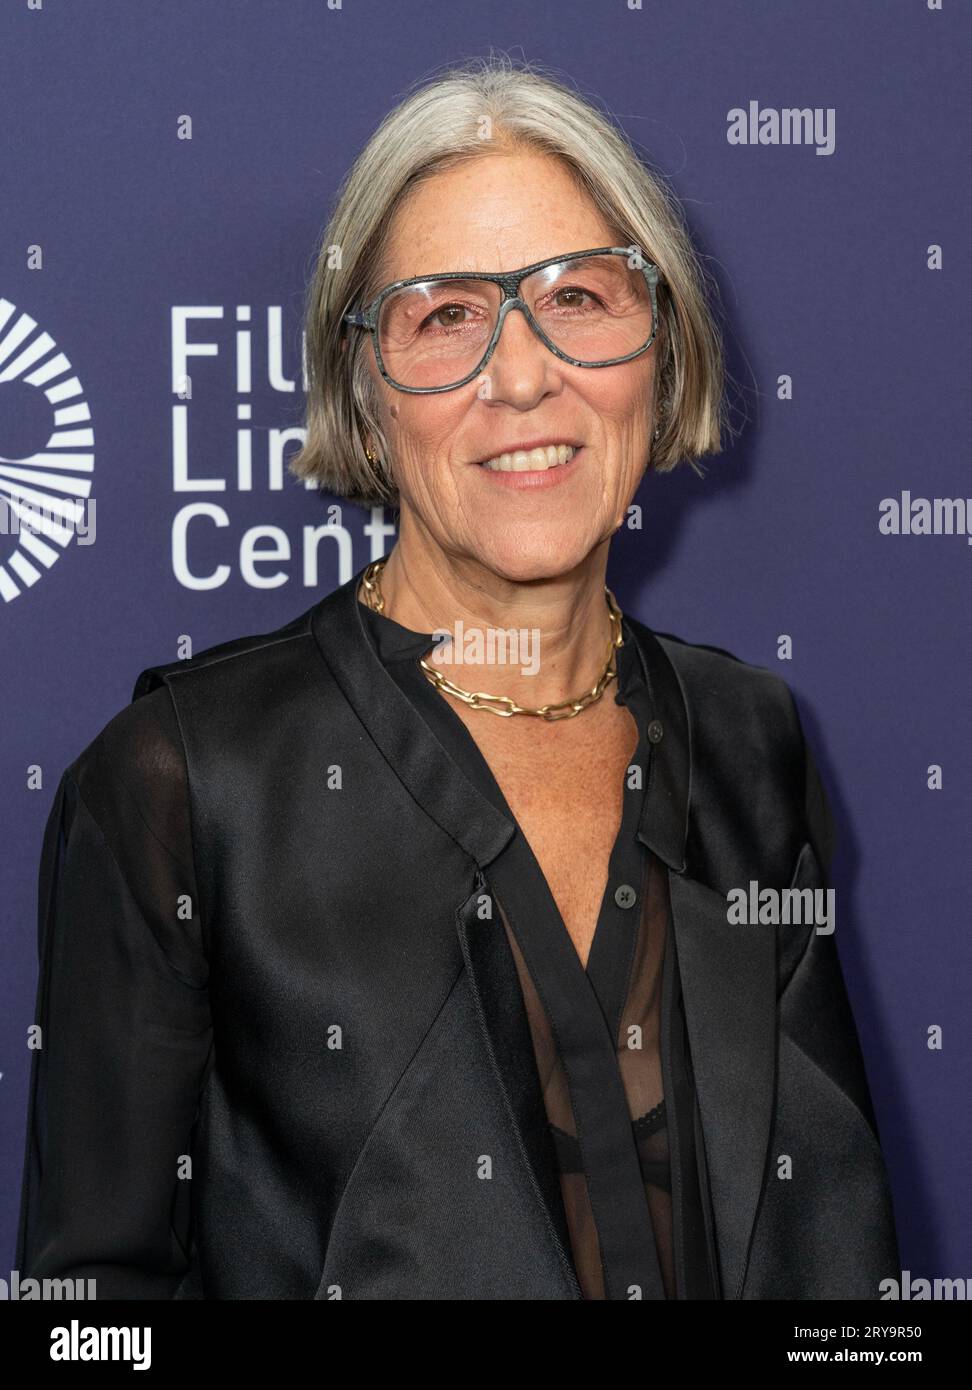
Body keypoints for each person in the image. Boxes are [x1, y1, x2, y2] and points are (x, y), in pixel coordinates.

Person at [17, 55, 899, 1300]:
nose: (523, 372)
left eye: (579, 298)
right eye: (447, 315)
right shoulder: (184, 782)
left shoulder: (751, 738)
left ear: (663, 345)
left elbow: (838, 1264)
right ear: (367, 395)